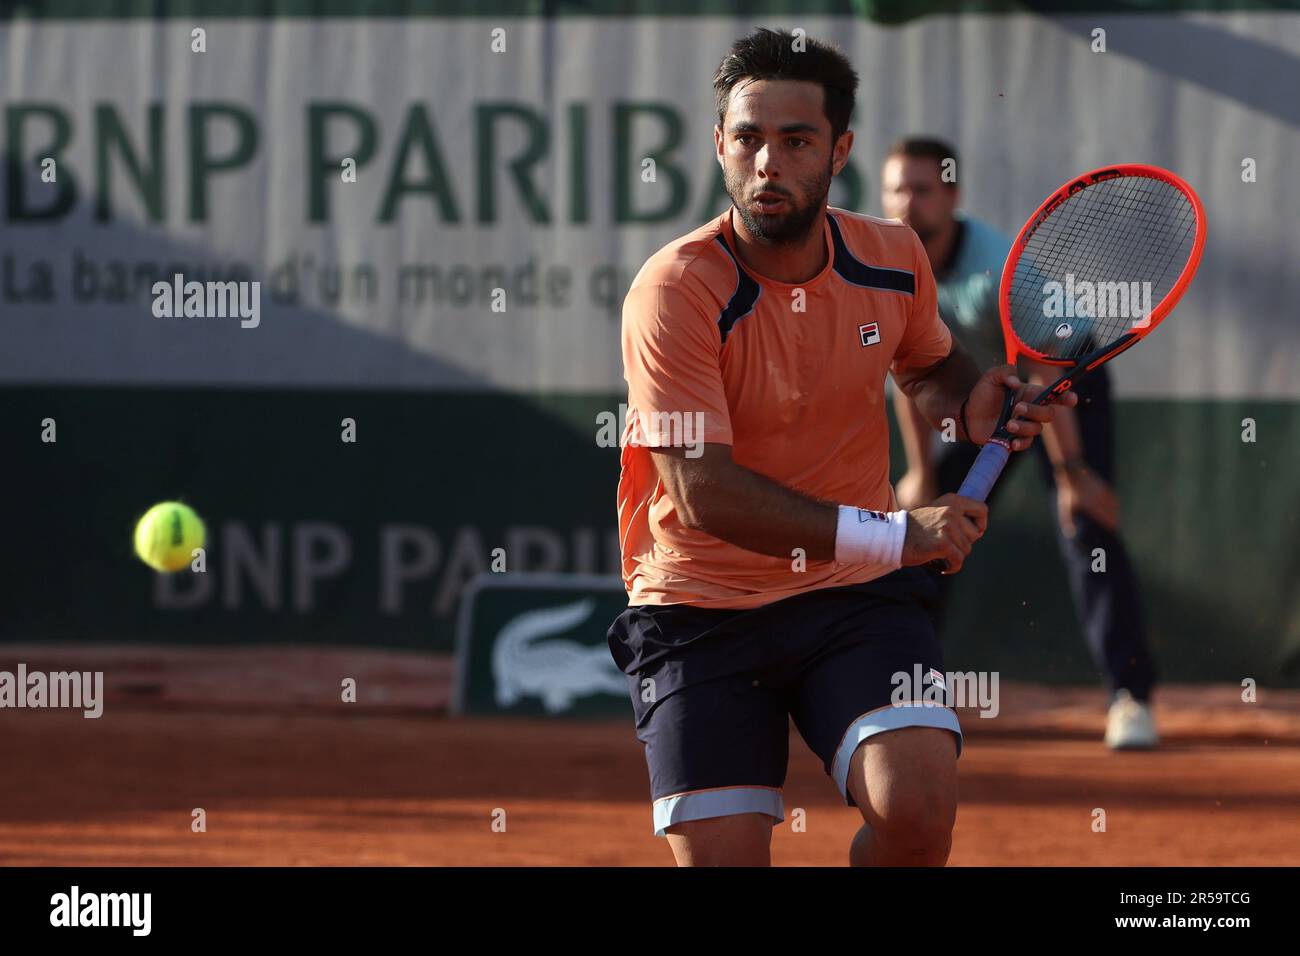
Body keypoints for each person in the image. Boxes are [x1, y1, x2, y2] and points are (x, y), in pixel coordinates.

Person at [606, 28, 1075, 868]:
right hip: (696, 605)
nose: (767, 163)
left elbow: (928, 365)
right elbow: (706, 493)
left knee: (919, 810)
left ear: (839, 149)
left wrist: (971, 404)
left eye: (796, 140)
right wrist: (899, 536)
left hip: (850, 597)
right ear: (719, 143)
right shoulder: (674, 291)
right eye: (747, 138)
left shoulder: (891, 256)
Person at [881, 137, 1159, 750]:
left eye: (923, 190)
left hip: (1066, 381)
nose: (909, 203)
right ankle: (911, 690)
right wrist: (921, 475)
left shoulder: (995, 268)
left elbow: (1047, 373)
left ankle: (1130, 697)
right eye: (898, 188)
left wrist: (1074, 475)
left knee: (1087, 528)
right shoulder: (890, 268)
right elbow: (909, 377)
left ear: (950, 196)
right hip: (979, 396)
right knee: (929, 526)